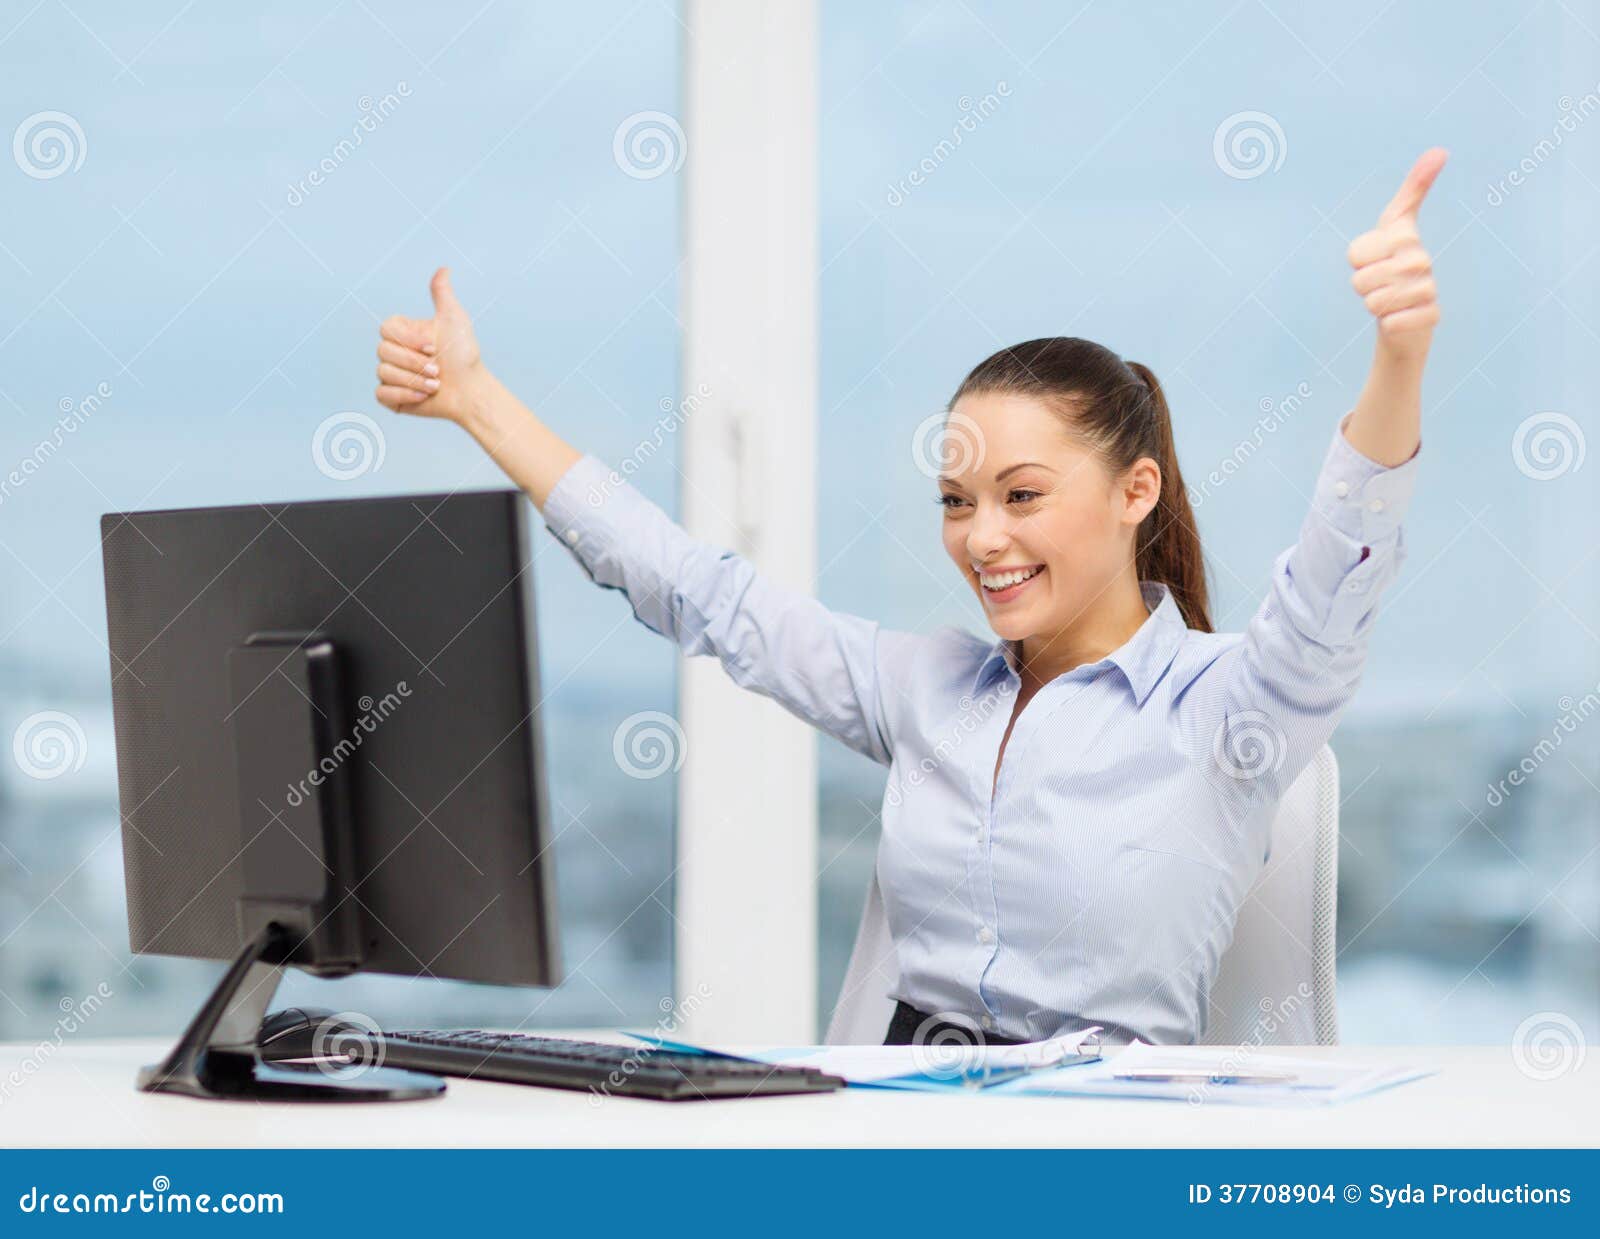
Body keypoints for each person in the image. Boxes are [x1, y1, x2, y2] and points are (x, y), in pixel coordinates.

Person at [372, 149, 1446, 1046]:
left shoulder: (1232, 708)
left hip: (1102, 1153)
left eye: (1022, 495)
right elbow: (700, 592)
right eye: (955, 500)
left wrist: (1396, 356)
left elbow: (1331, 583)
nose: (982, 539)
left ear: (1135, 491)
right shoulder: (927, 687)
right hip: (889, 1129)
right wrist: (478, 402)